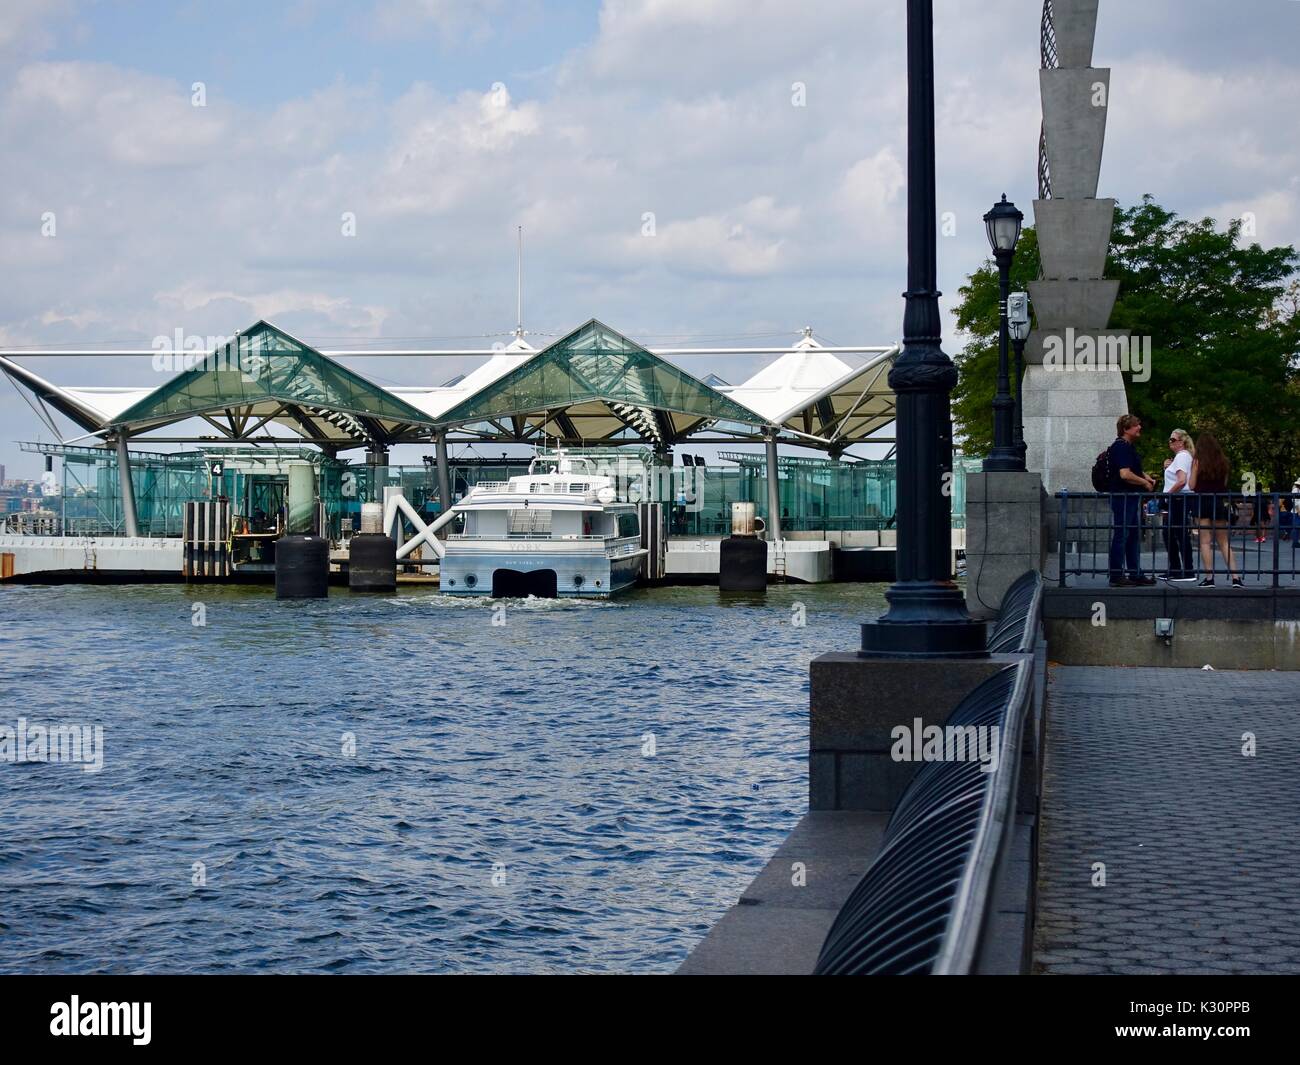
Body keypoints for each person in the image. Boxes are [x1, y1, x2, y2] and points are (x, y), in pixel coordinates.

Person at [1107, 414, 1157, 587]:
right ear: (1126, 429)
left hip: (1129, 497)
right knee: (1122, 535)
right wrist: (1144, 483)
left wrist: (1146, 477)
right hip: (1123, 497)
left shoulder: (1127, 447)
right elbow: (1125, 474)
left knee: (1132, 536)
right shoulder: (1121, 447)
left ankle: (1135, 573)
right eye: (1137, 425)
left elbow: (1132, 469)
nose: (1140, 427)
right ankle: (1116, 574)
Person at [1190, 431, 1241, 588]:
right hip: (1218, 502)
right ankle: (1235, 578)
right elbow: (1224, 484)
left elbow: (1191, 485)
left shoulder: (1197, 462)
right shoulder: (1223, 462)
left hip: (1202, 501)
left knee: (1205, 542)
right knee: (1224, 542)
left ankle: (1209, 578)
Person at [1160, 428, 1196, 581]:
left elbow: (1181, 481)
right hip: (1179, 498)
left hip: (1179, 498)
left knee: (1177, 533)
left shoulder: (1182, 456)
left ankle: (1186, 570)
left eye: (1173, 439)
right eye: (1170, 439)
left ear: (1182, 442)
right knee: (1172, 533)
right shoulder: (1181, 457)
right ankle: (1178, 568)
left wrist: (1168, 495)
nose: (1170, 442)